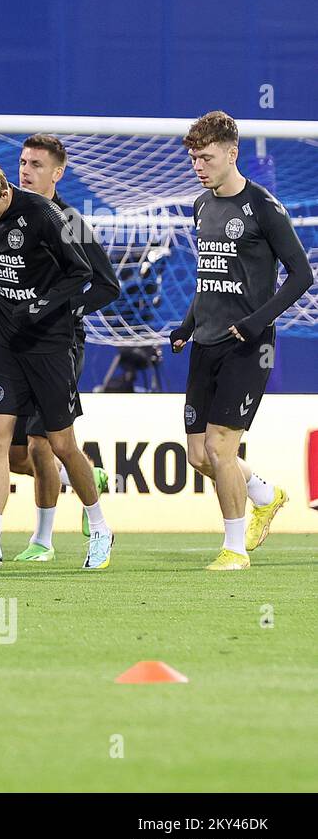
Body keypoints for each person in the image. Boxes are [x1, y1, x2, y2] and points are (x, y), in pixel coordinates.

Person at [0, 160, 114, 570]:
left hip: (49, 345)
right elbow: (4, 277)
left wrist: (42, 307)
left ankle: (99, 528)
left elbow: (82, 271)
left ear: (4, 192)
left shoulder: (45, 214)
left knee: (61, 444)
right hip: (7, 343)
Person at [172, 110, 312, 570]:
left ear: (232, 154)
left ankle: (234, 549)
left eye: (207, 157)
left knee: (219, 449)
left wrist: (258, 321)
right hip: (205, 342)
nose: (199, 166)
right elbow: (208, 277)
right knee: (199, 456)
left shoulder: (264, 208)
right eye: (194, 158)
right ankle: (266, 496)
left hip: (249, 346)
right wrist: (188, 325)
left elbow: (301, 275)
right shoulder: (201, 205)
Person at [1, 133, 120, 561]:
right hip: (15, 344)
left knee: (42, 445)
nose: (25, 171)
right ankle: (86, 478)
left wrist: (69, 311)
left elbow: (108, 284)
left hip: (59, 345)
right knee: (17, 454)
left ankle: (44, 540)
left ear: (57, 173)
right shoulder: (8, 215)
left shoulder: (68, 221)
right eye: (23, 162)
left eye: (36, 164)